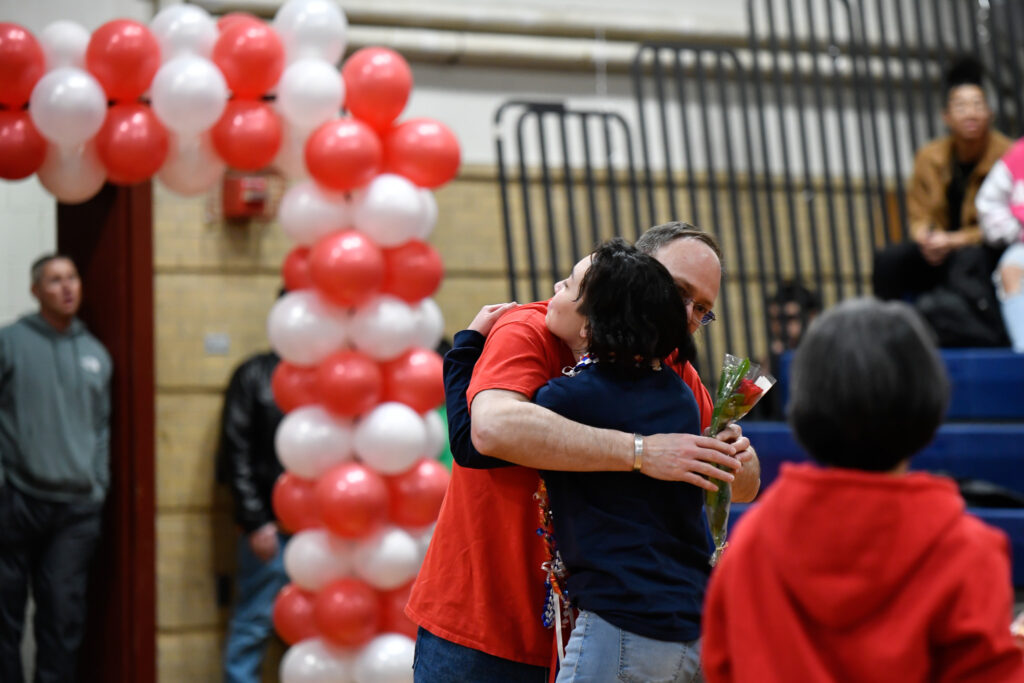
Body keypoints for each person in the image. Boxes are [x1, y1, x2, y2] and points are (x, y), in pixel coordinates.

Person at [408, 223, 760, 681]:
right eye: (678, 292)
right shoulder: (532, 326)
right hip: (485, 624)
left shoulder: (674, 373)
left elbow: (737, 488)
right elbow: (489, 432)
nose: (689, 314)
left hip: (607, 627)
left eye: (703, 309)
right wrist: (641, 451)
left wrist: (740, 459)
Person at [701, 298, 1024, 683]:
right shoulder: (968, 552)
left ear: (804, 407)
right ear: (929, 402)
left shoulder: (752, 547)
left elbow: (722, 666)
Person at [0, 254, 112, 683]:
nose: (67, 288)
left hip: (76, 510)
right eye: (54, 280)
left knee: (63, 617)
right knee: (5, 616)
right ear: (35, 291)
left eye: (72, 278)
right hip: (17, 500)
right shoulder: (11, 342)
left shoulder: (96, 354)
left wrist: (98, 484)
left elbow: (102, 426)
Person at [873, 55, 1011, 343]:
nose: (970, 114)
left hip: (984, 246)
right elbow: (918, 212)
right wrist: (926, 237)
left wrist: (954, 241)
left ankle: (991, 338)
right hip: (937, 248)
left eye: (978, 105)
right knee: (889, 260)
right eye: (960, 107)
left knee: (969, 261)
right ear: (945, 116)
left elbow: (1005, 222)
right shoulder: (930, 156)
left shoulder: (1008, 156)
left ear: (990, 115)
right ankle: (888, 337)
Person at [216, 349, 288, 683]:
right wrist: (255, 521)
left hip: (325, 534)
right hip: (271, 528)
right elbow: (236, 452)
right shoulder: (255, 374)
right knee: (253, 624)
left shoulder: (334, 370)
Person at [977, 136, 1024, 351]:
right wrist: (1015, 231)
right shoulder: (1018, 154)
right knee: (1011, 268)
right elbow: (988, 203)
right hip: (1021, 243)